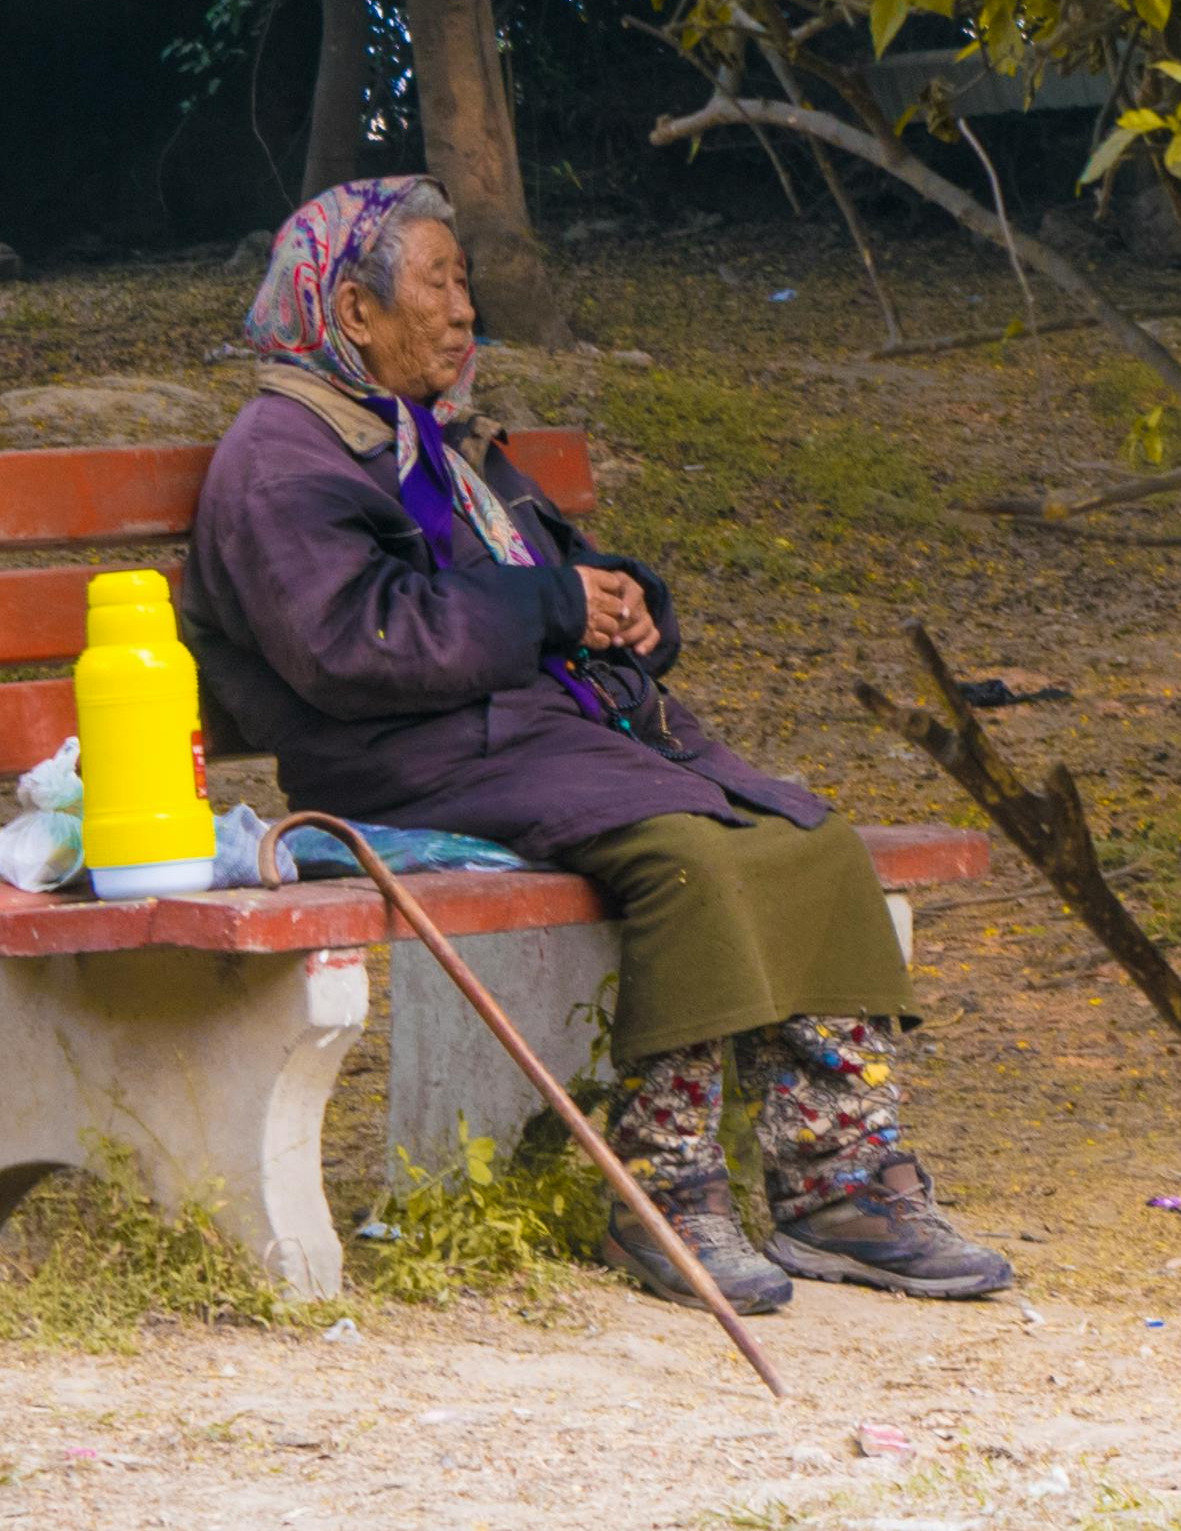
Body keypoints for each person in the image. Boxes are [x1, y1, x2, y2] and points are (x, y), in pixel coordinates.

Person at [180, 177, 1013, 1313]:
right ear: (355, 312)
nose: (464, 310)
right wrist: (554, 609)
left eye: (464, 281)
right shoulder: (285, 457)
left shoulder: (432, 439)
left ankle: (840, 1187)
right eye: (438, 283)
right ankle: (664, 1192)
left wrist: (626, 604)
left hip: (530, 731)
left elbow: (549, 570)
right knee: (686, 856)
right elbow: (353, 644)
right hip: (410, 757)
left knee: (808, 838)